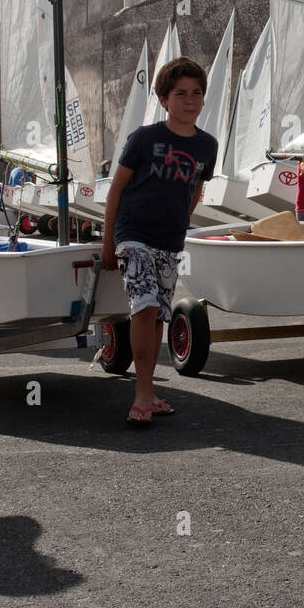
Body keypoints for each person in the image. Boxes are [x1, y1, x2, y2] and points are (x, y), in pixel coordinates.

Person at [101, 57, 218, 427]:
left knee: (156, 317)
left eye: (197, 93)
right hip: (133, 235)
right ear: (164, 100)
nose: (190, 100)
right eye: (180, 93)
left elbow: (196, 190)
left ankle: (149, 391)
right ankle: (140, 396)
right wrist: (108, 243)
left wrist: (181, 223)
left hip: (170, 240)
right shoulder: (144, 139)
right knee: (145, 307)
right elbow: (116, 190)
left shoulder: (207, 146)